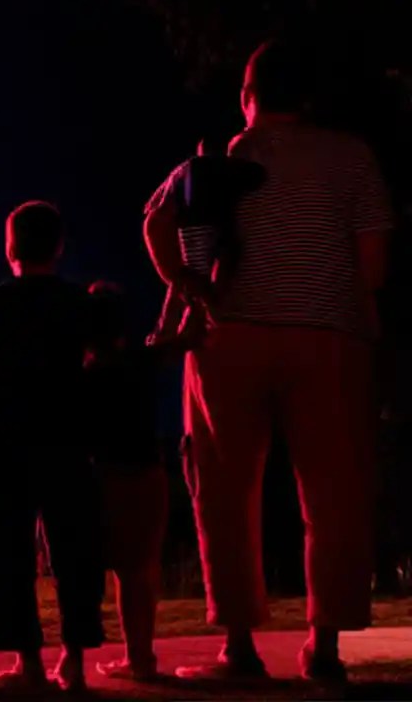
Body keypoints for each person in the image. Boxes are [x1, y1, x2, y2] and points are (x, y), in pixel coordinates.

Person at [144, 40, 394, 683]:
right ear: (307, 98)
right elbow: (374, 266)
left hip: (233, 334)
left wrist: (192, 286)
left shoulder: (224, 157)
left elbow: (156, 224)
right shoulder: (353, 157)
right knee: (335, 492)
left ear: (246, 97)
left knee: (225, 488)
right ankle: (326, 647)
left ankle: (238, 648)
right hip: (330, 337)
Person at [0, 201, 105, 692]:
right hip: (69, 442)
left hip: (9, 444)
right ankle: (75, 662)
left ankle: (29, 665)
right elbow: (96, 369)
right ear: (59, 246)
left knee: (6, 553)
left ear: (11, 248)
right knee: (74, 551)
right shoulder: (79, 304)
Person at [84, 281, 202, 681]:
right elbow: (184, 339)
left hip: (106, 476)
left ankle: (134, 657)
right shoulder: (142, 360)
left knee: (121, 571)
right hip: (149, 473)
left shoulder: (87, 374)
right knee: (143, 568)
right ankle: (141, 655)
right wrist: (184, 293)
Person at [149, 137, 265, 345]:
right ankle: (201, 325)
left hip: (187, 228)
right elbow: (257, 176)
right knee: (209, 277)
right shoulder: (223, 166)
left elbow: (157, 203)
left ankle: (168, 330)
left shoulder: (183, 169)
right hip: (214, 226)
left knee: (186, 277)